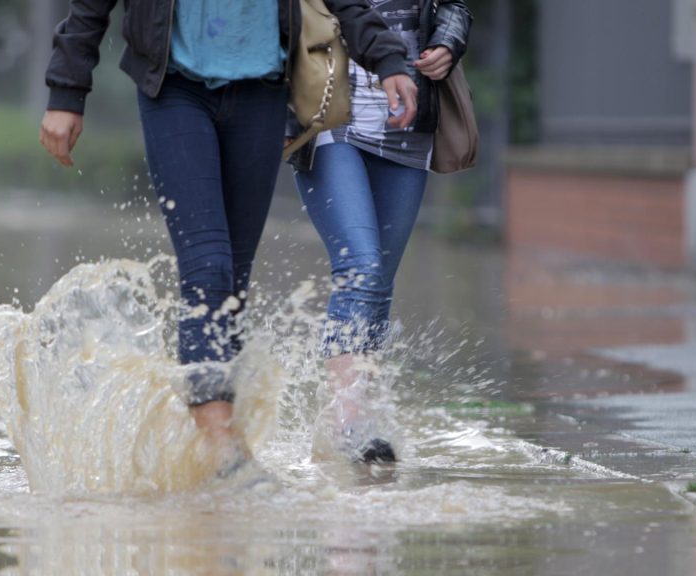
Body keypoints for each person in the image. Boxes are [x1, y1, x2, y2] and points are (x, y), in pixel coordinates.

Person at [38, 0, 420, 477]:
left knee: (233, 286)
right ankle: (223, 445)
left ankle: (211, 436)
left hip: (260, 97)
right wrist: (66, 92)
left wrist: (388, 62)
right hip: (173, 92)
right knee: (208, 270)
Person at [291, 0, 472, 464]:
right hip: (333, 115)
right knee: (361, 265)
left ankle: (353, 413)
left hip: (408, 123)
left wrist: (447, 43)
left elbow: (451, 7)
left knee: (379, 280)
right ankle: (350, 423)